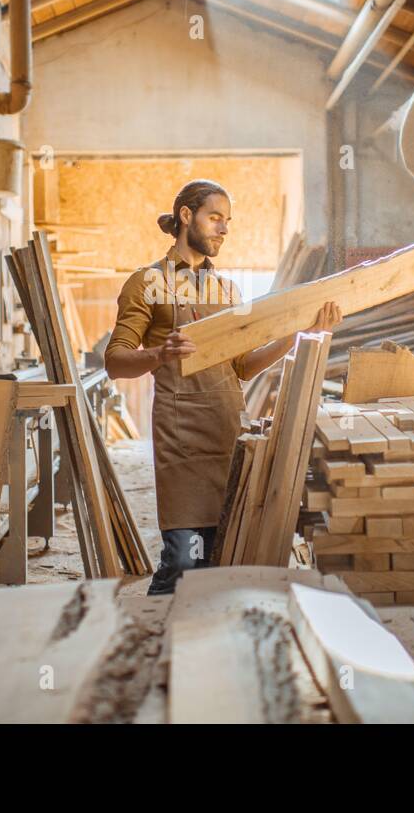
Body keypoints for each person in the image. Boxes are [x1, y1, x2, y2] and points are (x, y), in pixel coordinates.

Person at [104, 180, 340, 594]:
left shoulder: (227, 291)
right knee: (183, 560)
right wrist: (159, 354)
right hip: (182, 438)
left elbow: (243, 367)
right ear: (185, 216)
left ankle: (201, 632)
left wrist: (298, 335)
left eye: (227, 220)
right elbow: (115, 361)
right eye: (215, 218)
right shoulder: (146, 283)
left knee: (221, 557)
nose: (224, 229)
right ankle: (154, 627)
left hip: (228, 433)